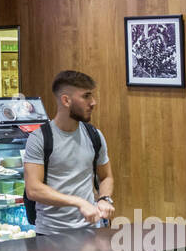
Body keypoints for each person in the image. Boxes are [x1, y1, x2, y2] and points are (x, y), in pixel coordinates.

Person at [22, 70, 116, 234]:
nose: (93, 102)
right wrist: (78, 202)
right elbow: (33, 189)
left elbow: (106, 176)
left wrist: (104, 198)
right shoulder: (39, 138)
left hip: (91, 230)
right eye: (86, 96)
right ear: (66, 100)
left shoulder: (94, 135)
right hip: (51, 234)